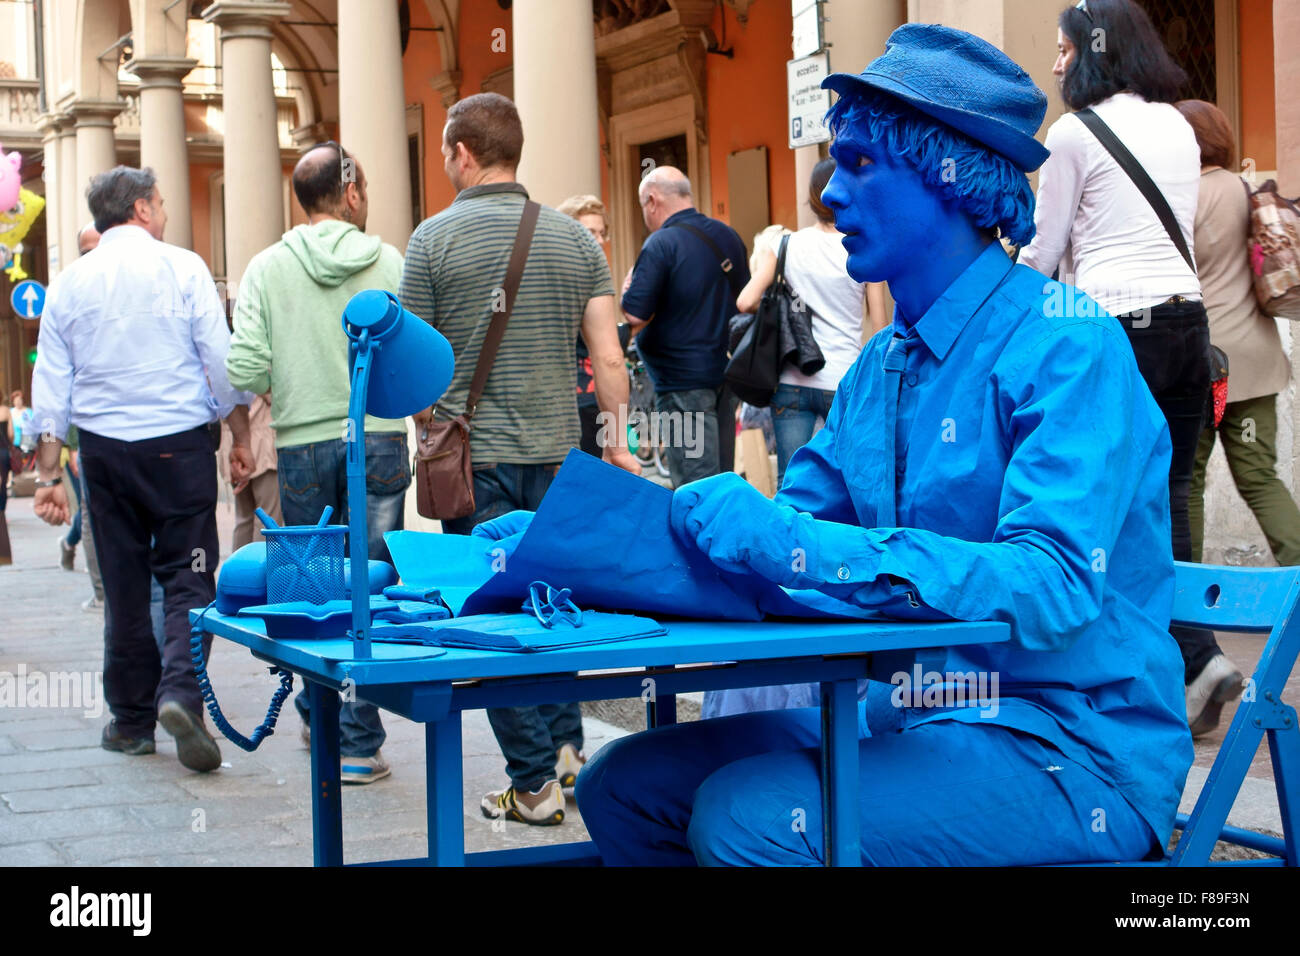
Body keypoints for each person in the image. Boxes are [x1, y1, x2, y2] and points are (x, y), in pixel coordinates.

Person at [568, 24, 1191, 866]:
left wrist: (797, 545)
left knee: (746, 817)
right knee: (621, 784)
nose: (833, 196)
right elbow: (788, 529)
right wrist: (594, 547)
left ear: (952, 177)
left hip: (1070, 745)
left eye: (862, 164)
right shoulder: (883, 366)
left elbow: (1050, 584)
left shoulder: (1070, 345)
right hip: (911, 709)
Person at [399, 91, 638, 825]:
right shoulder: (574, 241)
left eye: (445, 153)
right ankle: (566, 760)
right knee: (554, 608)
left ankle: (532, 785)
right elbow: (608, 355)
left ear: (464, 154)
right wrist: (618, 441)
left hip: (479, 464)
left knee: (498, 619)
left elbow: (413, 371)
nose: (445, 165)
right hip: (562, 455)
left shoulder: (432, 241)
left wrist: (433, 424)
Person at [1016, 0, 1227, 733]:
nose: (1055, 64)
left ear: (1094, 54)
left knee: (1103, 500)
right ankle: (1198, 653)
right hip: (1187, 322)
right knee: (1171, 491)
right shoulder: (1177, 123)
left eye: (1065, 51)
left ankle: (1133, 673)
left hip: (1113, 328)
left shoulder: (1072, 133)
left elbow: (1042, 256)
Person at [30, 165, 253, 773]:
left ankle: (130, 723)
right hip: (177, 447)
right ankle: (180, 692)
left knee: (125, 586)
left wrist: (50, 475)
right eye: (159, 199)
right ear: (141, 210)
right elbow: (220, 360)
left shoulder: (71, 283)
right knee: (189, 575)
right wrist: (237, 433)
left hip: (103, 452)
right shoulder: (182, 267)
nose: (164, 209)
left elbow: (51, 384)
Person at [226, 141, 406, 784]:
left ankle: (320, 718)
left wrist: (290, 380)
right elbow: (413, 353)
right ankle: (361, 743)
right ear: (352, 193)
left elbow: (242, 366)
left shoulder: (267, 268)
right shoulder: (387, 259)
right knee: (372, 584)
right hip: (380, 438)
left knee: (313, 586)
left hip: (300, 443)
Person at [1178, 98, 1299, 731]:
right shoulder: (1248, 187)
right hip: (1253, 354)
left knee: (1188, 482)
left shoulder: (1179, 192)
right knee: (1260, 476)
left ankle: (1192, 614)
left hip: (1204, 360)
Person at [736, 158, 887, 487]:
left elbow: (745, 301)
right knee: (846, 479)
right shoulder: (861, 246)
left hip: (792, 379)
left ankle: (790, 540)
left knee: (792, 483)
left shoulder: (785, 244)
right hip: (845, 378)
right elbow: (881, 325)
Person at [622, 166, 750, 487]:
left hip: (680, 384)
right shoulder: (728, 237)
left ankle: (698, 538)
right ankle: (722, 537)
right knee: (721, 481)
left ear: (652, 201)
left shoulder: (660, 243)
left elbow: (635, 314)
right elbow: (745, 300)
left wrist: (628, 291)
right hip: (725, 374)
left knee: (694, 486)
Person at [556, 194, 614, 458]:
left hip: (593, 399)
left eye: (602, 233)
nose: (600, 241)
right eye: (591, 233)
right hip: (566, 401)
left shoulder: (597, 277)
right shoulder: (561, 279)